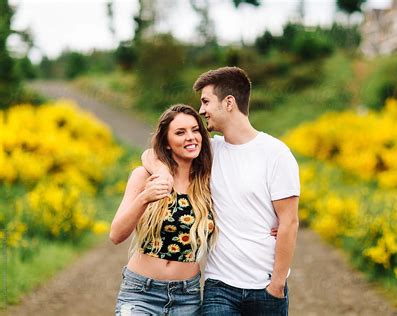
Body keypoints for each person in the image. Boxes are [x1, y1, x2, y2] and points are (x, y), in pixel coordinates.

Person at [142, 66, 300, 315]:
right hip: (220, 286)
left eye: (205, 101)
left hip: (267, 287)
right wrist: (161, 173)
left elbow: (289, 222)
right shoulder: (210, 151)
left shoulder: (276, 154)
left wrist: (277, 284)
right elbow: (152, 153)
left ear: (229, 103)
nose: (201, 110)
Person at [109, 104, 217, 315]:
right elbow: (116, 235)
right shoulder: (144, 176)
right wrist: (145, 198)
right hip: (141, 292)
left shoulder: (208, 181)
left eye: (195, 130)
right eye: (180, 132)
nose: (191, 137)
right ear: (166, 143)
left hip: (187, 296)